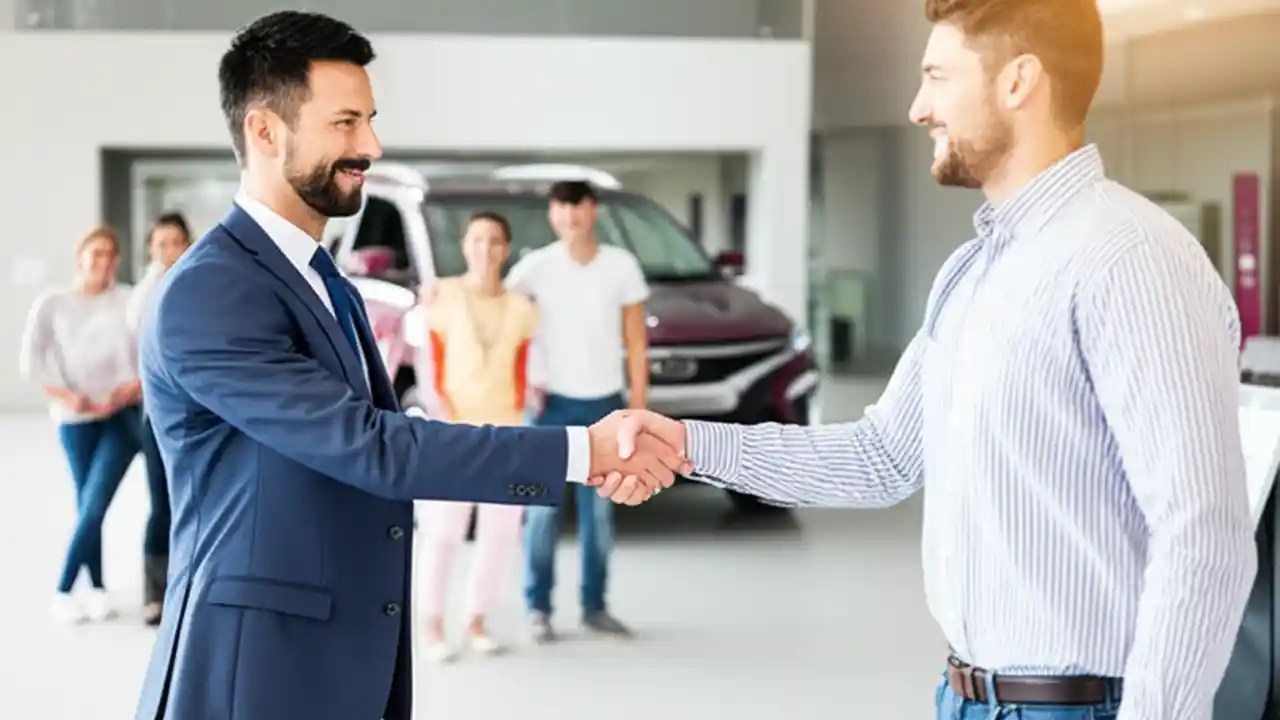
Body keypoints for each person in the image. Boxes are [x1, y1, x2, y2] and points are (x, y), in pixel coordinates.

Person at [599, 1, 1257, 718]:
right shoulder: (971, 271)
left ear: (1019, 81)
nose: (918, 108)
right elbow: (883, 455)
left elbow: (1202, 534)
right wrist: (690, 443)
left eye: (937, 76)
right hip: (965, 697)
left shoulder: (1131, 258)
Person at [131, 12, 684, 720]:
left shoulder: (323, 279)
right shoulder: (212, 291)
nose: (371, 144)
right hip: (258, 668)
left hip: (340, 654)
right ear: (265, 131)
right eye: (345, 122)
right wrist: (583, 450)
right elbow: (370, 445)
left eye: (370, 120)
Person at [506, 179, 651, 643]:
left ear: (593, 211)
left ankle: (594, 607)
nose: (570, 216)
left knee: (600, 518)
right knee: (542, 513)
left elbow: (636, 344)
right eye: (561, 208)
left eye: (578, 207)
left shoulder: (621, 267)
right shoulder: (535, 267)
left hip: (606, 405)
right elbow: (495, 310)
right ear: (552, 214)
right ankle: (538, 608)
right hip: (550, 408)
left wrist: (639, 408)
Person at [414, 211, 539, 661]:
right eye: (476, 240)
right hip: (452, 430)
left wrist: (528, 412)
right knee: (442, 531)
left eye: (494, 241)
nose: (484, 250)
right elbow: (427, 362)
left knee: (500, 534)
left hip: (507, 429)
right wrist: (438, 410)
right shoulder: (440, 297)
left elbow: (527, 368)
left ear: (506, 249)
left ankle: (476, 619)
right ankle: (430, 623)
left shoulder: (523, 308)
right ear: (465, 246)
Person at [19, 225, 143, 625]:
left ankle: (63, 589)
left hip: (120, 416)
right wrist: (67, 396)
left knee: (95, 501)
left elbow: (150, 351)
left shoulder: (128, 299)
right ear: (80, 257)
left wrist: (134, 386)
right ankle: (98, 588)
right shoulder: (53, 303)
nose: (103, 261)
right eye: (96, 253)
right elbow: (32, 361)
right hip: (74, 418)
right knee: (87, 503)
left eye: (110, 254)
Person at [125, 211, 193, 626]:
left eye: (176, 241)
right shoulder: (145, 293)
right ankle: (155, 592)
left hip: (198, 415)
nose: (169, 250)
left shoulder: (199, 282)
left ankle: (187, 586)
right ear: (150, 249)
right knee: (161, 503)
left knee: (192, 501)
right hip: (157, 416)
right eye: (161, 243)